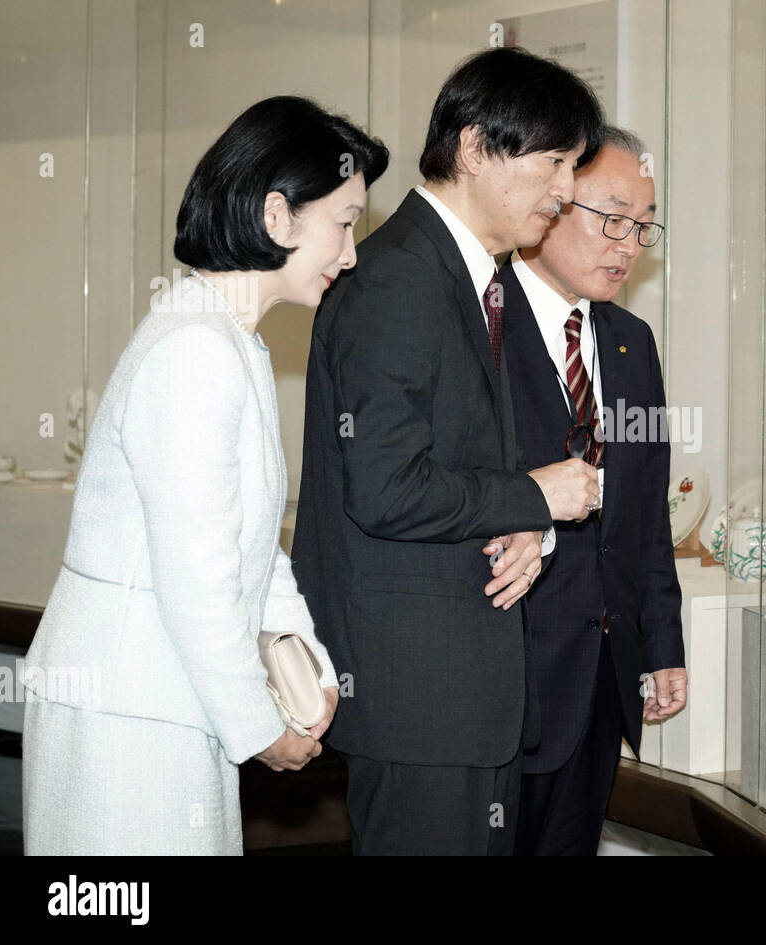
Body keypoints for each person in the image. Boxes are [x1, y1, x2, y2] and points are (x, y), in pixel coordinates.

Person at [20, 95, 387, 855]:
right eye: (344, 223)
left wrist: (304, 664)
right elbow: (199, 575)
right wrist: (259, 726)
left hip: (160, 703)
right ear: (278, 216)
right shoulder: (196, 351)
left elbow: (247, 543)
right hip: (127, 717)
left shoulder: (228, 341)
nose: (350, 253)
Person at [291, 47, 604, 856]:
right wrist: (536, 497)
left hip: (461, 692)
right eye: (554, 162)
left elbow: (455, 463)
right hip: (420, 691)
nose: (566, 191)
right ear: (473, 147)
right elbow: (386, 486)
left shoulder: (464, 276)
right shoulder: (399, 278)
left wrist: (523, 529)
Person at [500, 127, 687, 855]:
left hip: (604, 681)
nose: (628, 243)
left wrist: (661, 643)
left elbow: (643, 515)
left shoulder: (630, 343)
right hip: (507, 678)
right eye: (611, 217)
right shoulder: (477, 322)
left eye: (643, 225)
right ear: (552, 202)